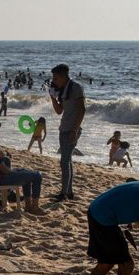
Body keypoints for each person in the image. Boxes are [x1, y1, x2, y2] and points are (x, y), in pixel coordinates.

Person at [0, 117, 44, 214]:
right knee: (37, 175)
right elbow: (5, 170)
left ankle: (28, 206)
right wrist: (13, 172)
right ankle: (35, 207)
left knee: (27, 172)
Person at [50, 64, 85, 201]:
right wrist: (53, 98)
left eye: (57, 77)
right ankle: (69, 192)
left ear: (64, 76)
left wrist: (75, 130)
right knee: (67, 161)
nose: (55, 80)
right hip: (63, 128)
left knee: (64, 162)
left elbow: (82, 110)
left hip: (72, 129)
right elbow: (59, 111)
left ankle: (63, 193)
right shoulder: (63, 90)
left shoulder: (76, 88)